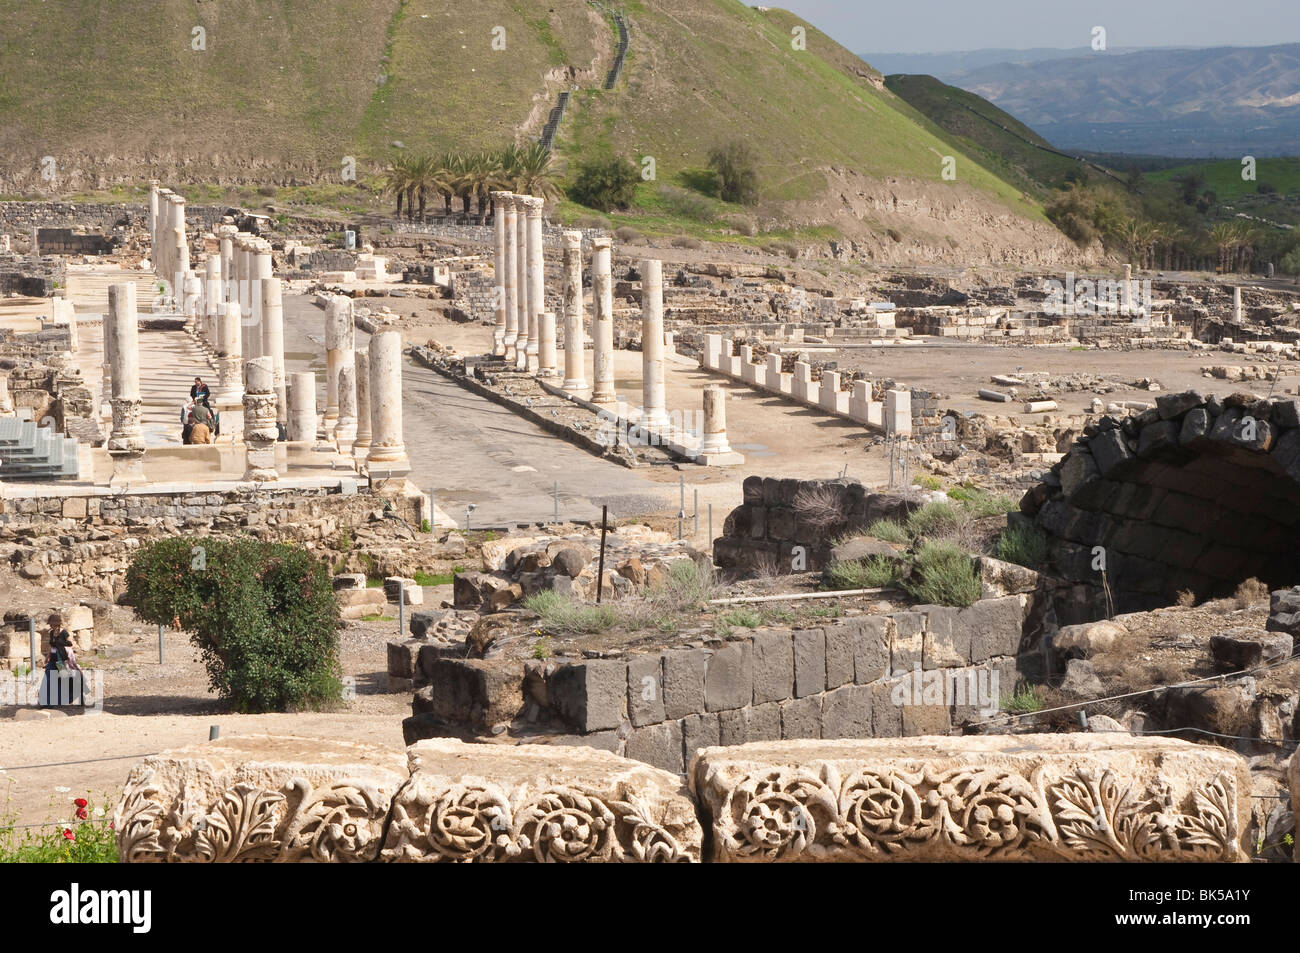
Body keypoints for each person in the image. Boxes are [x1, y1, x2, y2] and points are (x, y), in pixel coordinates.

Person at [39, 613, 83, 708]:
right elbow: (51, 645)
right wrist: (47, 656)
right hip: (53, 659)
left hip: (61, 660)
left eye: (52, 624)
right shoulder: (51, 633)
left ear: (57, 624)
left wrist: (61, 644)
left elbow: (71, 644)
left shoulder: (64, 633)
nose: (51, 626)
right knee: (48, 679)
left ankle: (77, 694)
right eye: (50, 624)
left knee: (64, 679)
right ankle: (45, 702)